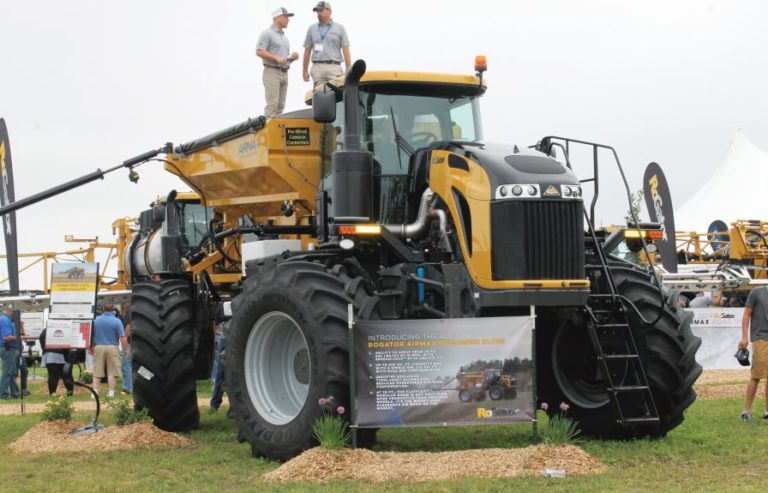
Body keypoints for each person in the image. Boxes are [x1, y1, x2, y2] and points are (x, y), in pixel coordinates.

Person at [256, 7, 299, 117]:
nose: (288, 20)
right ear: (277, 17)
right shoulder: (267, 33)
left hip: (284, 73)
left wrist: (292, 58)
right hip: (272, 72)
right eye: (286, 17)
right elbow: (259, 51)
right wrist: (276, 58)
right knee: (272, 105)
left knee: (280, 106)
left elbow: (283, 60)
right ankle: (267, 128)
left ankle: (275, 127)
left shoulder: (284, 38)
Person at [302, 1, 351, 88]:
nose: (319, 13)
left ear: (329, 11)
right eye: (317, 11)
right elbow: (307, 50)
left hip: (334, 67)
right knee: (319, 93)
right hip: (317, 67)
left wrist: (348, 69)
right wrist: (305, 70)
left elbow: (346, 49)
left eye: (321, 11)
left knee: (336, 92)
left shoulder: (340, 28)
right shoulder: (312, 29)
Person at [738, 286, 768, 421]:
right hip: (760, 338)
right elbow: (746, 314)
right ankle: (746, 411)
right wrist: (744, 337)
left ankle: (767, 412)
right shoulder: (757, 292)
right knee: (756, 375)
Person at [90, 304, 129, 399]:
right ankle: (111, 392)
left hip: (99, 347)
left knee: (97, 371)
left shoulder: (96, 321)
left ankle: (95, 392)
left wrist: (91, 347)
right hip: (112, 347)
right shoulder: (117, 321)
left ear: (103, 309)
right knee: (112, 372)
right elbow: (122, 337)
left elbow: (91, 336)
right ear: (113, 310)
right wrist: (126, 349)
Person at [39, 328, 74, 396]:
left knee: (52, 375)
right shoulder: (67, 327)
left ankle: (52, 394)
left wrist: (45, 348)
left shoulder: (48, 328)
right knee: (67, 375)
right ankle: (70, 393)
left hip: (51, 355)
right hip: (64, 355)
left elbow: (41, 338)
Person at [0, 307, 20, 400]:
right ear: (11, 312)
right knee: (7, 372)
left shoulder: (7, 320)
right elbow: (6, 337)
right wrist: (18, 338)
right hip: (8, 349)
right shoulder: (5, 320)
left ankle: (15, 393)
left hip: (10, 349)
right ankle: (3, 394)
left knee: (12, 372)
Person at [209, 321, 228, 413]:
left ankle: (215, 404)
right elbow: (214, 322)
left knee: (223, 373)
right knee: (221, 373)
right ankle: (214, 404)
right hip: (224, 336)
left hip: (228, 335)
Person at [119, 304, 133, 395]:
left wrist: (124, 339)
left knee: (126, 365)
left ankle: (127, 387)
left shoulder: (130, 309)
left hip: (130, 342)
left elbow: (128, 327)